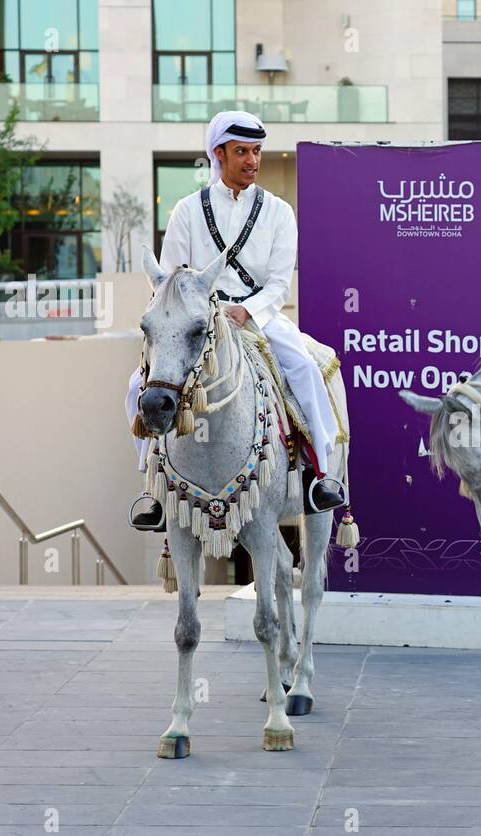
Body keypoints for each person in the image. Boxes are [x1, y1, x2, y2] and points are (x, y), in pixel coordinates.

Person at [127, 110, 344, 529]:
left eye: (257, 151)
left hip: (257, 318)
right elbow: (172, 281)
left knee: (305, 369)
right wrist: (204, 313)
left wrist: (247, 310)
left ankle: (322, 476)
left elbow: (281, 284)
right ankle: (151, 488)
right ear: (218, 154)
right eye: (241, 151)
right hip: (199, 325)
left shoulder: (280, 212)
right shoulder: (187, 211)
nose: (252, 161)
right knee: (138, 384)